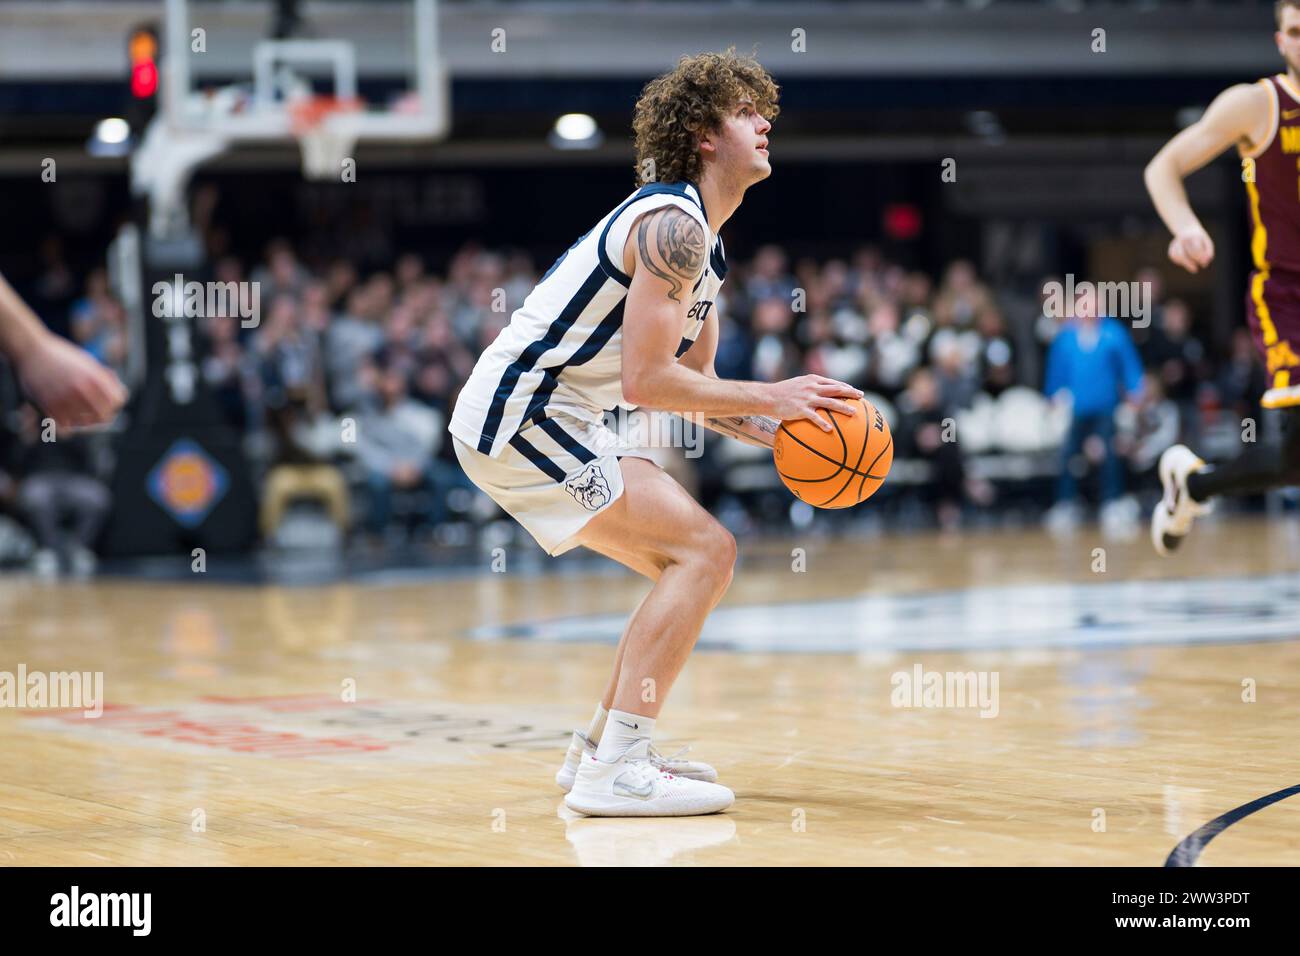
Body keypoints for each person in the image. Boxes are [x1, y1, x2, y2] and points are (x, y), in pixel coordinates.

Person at [448, 50, 862, 817]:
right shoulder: (672, 226)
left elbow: (695, 395)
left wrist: (783, 431)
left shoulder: (709, 247)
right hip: (521, 415)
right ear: (705, 136)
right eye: (745, 112)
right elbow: (645, 383)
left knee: (690, 558)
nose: (764, 122)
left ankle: (597, 754)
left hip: (551, 418)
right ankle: (620, 766)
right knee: (706, 550)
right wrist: (775, 389)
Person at [1145, 0, 1300, 554]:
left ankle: (1193, 484)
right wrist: (1185, 227)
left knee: (1288, 464)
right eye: (1295, 32)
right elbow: (1162, 167)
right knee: (1294, 458)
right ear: (1280, 42)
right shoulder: (1256, 105)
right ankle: (1193, 484)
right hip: (1287, 295)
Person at [0, 272, 126, 428]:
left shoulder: (112, 308)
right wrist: (31, 348)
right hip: (76, 360)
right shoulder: (83, 307)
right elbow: (81, 331)